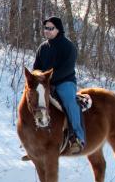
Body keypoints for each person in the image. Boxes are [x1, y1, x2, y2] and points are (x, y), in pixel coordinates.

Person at [33, 16, 86, 155]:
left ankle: (77, 138)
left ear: (58, 29)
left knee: (69, 101)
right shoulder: (42, 48)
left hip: (64, 82)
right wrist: (37, 78)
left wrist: (49, 80)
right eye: (46, 28)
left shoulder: (68, 47)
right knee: (31, 99)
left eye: (51, 28)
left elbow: (67, 68)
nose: (47, 31)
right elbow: (36, 68)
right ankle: (31, 140)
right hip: (44, 83)